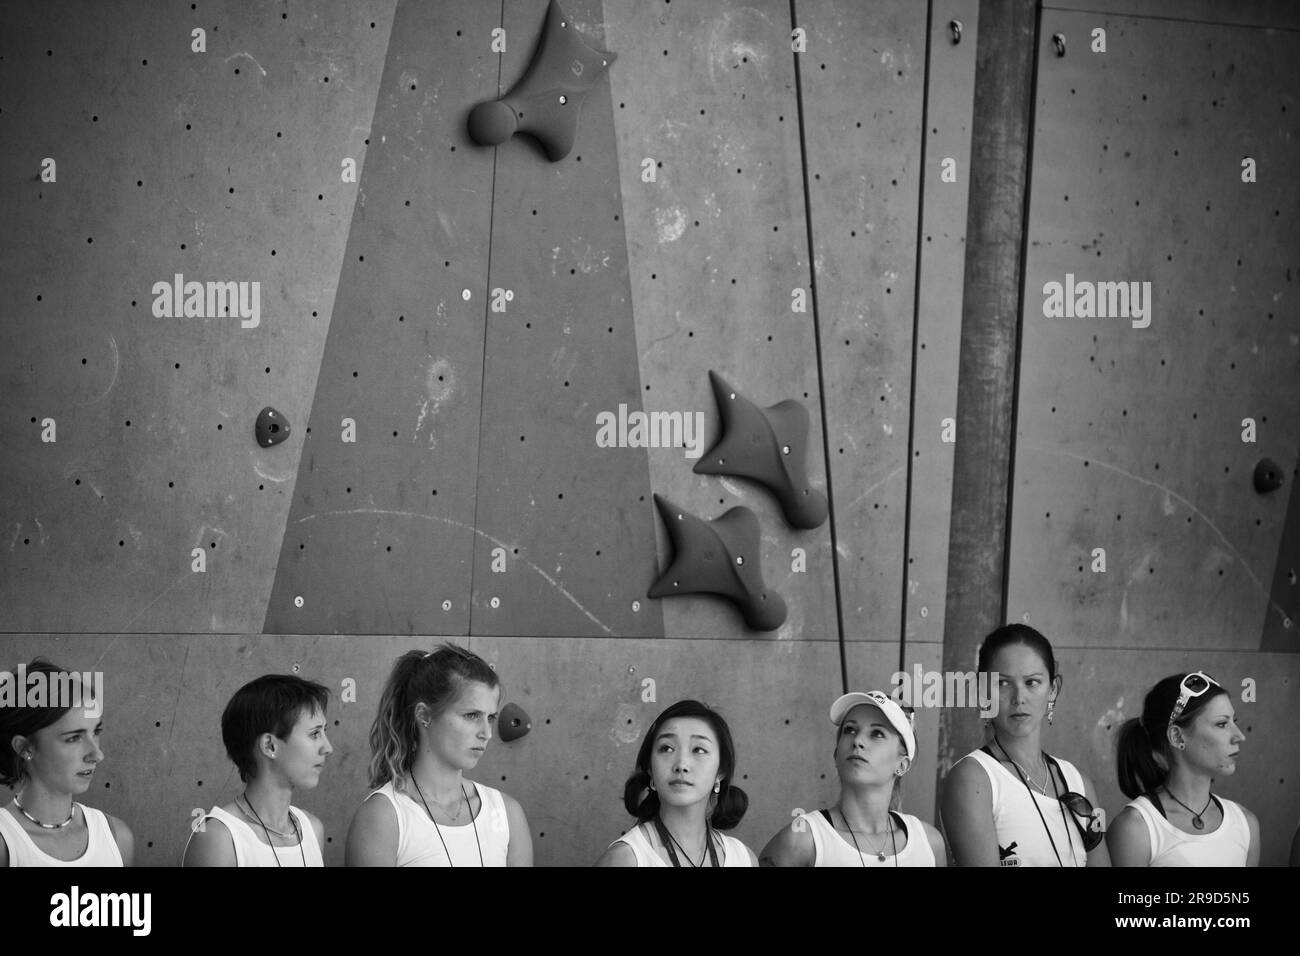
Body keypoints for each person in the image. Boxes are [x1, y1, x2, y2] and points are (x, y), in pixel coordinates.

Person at [346, 644, 531, 866]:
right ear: (424, 715)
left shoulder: (507, 814)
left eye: (490, 717)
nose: (487, 733)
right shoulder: (385, 817)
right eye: (471, 715)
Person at [941, 624, 1109, 866]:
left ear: (1052, 690)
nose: (1019, 698)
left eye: (1032, 682)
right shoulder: (973, 779)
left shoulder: (1080, 784)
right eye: (1003, 683)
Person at [760, 690, 945, 866]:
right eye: (849, 730)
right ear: (836, 755)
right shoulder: (801, 841)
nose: (857, 741)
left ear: (902, 765)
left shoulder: (929, 843)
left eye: (877, 733)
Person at [1107, 671, 1257, 866]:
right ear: (1177, 737)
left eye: (1233, 722)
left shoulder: (1246, 824)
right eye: (1222, 724)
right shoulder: (1136, 828)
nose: (1239, 736)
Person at [183, 674, 331, 866]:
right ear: (270, 746)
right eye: (314, 734)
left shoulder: (312, 829)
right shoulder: (219, 839)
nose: (327, 747)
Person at [0, 659, 133, 866]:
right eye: (73, 738)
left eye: (96, 732)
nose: (97, 754)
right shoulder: (4, 843)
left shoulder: (117, 838)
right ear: (24, 747)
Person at [595, 699, 757, 867]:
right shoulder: (625, 859)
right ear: (650, 768)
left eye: (699, 750)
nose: (681, 764)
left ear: (721, 771)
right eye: (667, 748)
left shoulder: (744, 859)